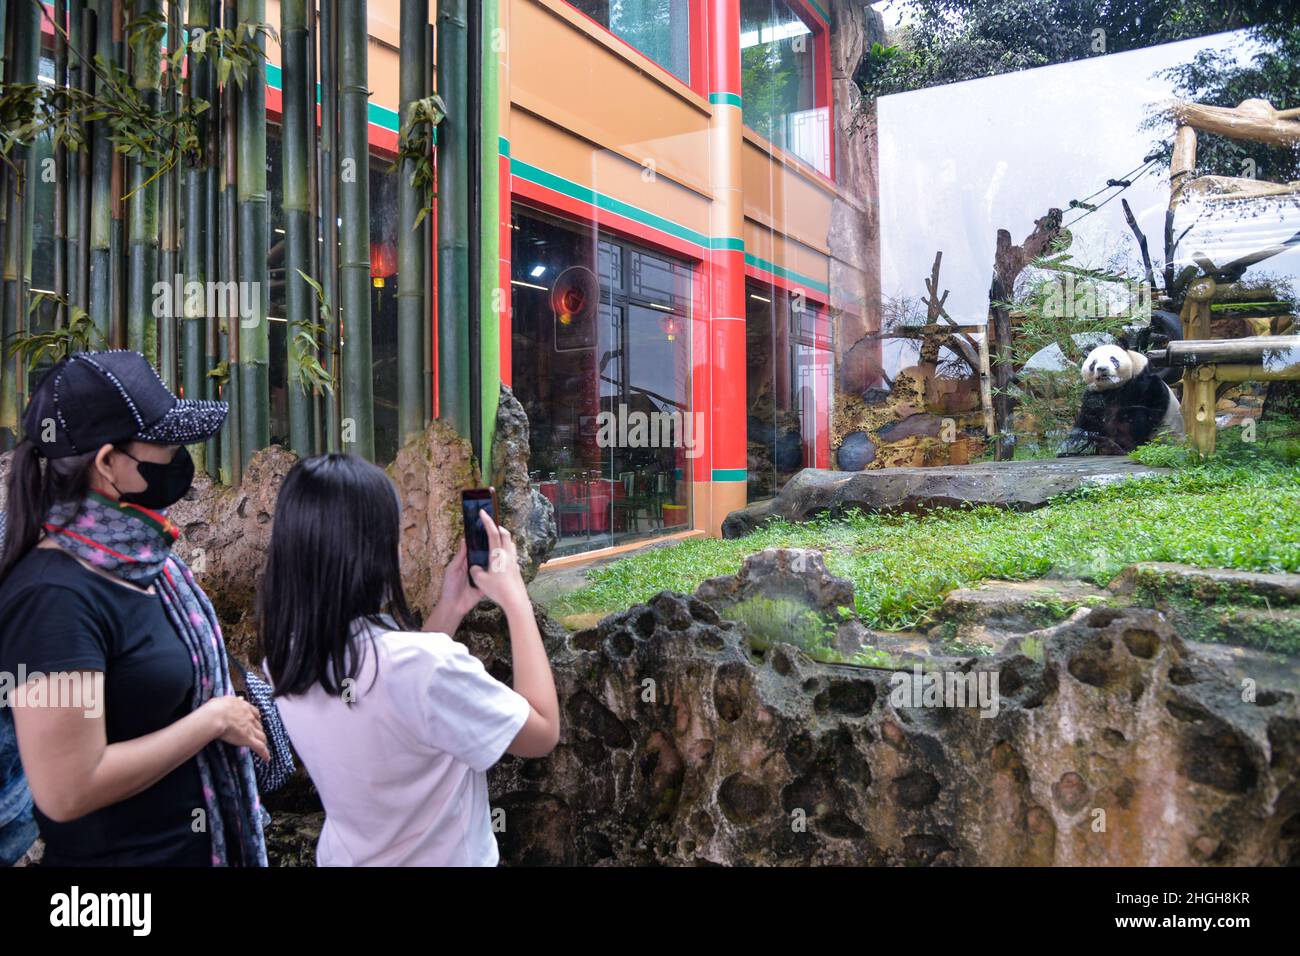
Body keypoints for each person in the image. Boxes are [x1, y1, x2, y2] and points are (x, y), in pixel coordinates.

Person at [0, 350, 269, 866]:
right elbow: (67, 787)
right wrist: (210, 722)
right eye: (164, 443)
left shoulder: (147, 564)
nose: (178, 456)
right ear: (107, 463)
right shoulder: (53, 599)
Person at [261, 453, 560, 866]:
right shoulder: (423, 667)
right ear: (375, 553)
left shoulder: (283, 657)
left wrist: (451, 606)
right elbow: (542, 732)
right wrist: (516, 601)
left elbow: (400, 694)